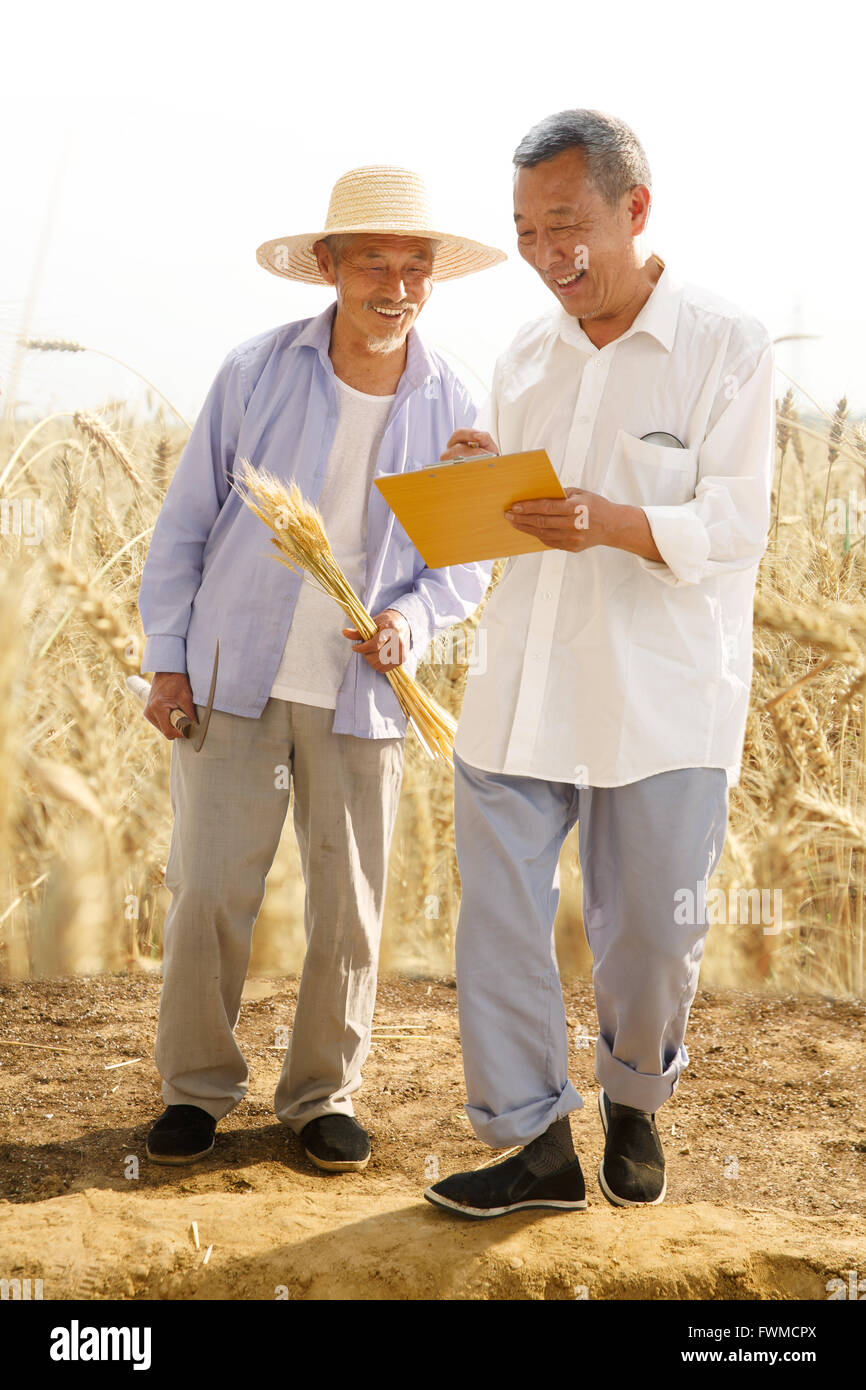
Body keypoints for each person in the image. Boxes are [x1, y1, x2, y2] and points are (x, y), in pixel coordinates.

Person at [424, 110, 775, 1218]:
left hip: (658, 700)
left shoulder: (726, 343)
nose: (542, 254)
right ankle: (531, 1142)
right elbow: (520, 521)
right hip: (520, 684)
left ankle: (631, 1100)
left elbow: (734, 521)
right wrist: (479, 484)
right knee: (495, 916)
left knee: (649, 936)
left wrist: (613, 518)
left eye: (563, 226)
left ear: (635, 210)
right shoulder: (523, 353)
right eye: (524, 230)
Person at [137, 165, 503, 1173]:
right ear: (329, 267)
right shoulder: (251, 372)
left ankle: (321, 1096)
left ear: (432, 278)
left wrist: (408, 622)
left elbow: (463, 565)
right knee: (209, 889)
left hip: (360, 696)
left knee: (349, 907)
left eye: (414, 267)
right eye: (375, 263)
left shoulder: (459, 400)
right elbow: (182, 531)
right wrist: (167, 663)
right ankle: (196, 1092)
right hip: (231, 681)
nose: (396, 286)